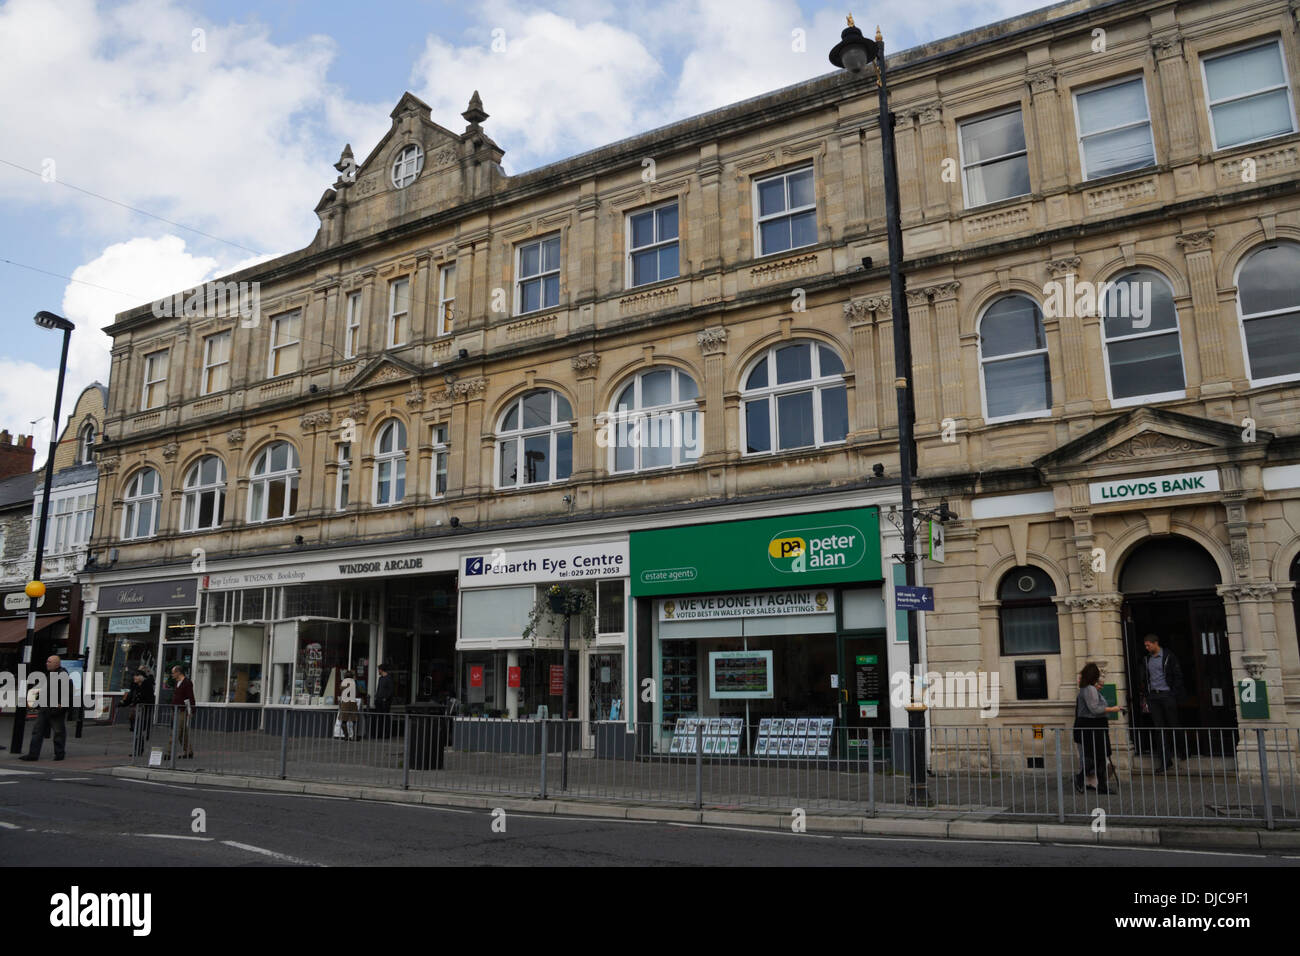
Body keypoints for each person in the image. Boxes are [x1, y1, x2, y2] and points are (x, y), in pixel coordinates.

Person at [1072, 662, 1123, 793]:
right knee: (1095, 756)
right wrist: (1113, 708)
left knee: (1098, 757)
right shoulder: (1089, 689)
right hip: (1092, 726)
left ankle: (1101, 786)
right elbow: (1094, 709)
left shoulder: (1086, 689)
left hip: (1094, 726)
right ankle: (1081, 778)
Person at [1139, 634, 1185, 773]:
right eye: (1145, 645)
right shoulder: (1146, 660)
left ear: (1155, 643)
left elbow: (1177, 675)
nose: (1146, 648)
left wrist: (1173, 693)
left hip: (1167, 695)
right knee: (1159, 729)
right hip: (1154, 696)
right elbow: (1144, 677)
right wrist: (1147, 694)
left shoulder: (1168, 656)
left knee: (1174, 724)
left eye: (1148, 645)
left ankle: (1183, 751)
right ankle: (1165, 761)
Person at [20, 655, 72, 762]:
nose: (46, 663)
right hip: (45, 707)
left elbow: (68, 693)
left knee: (58, 731)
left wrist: (62, 705)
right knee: (37, 730)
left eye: (49, 662)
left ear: (56, 664)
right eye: (47, 661)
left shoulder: (63, 676)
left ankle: (59, 754)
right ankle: (33, 754)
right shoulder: (49, 674)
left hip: (55, 708)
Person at [121, 669, 155, 756]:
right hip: (136, 711)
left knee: (139, 730)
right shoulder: (134, 686)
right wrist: (122, 703)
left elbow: (149, 699)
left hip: (144, 711)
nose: (134, 677)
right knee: (137, 731)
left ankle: (139, 750)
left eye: (136, 675)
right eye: (134, 676)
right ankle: (137, 750)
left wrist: (143, 705)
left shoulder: (147, 685)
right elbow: (130, 696)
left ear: (141, 677)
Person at [169, 664, 196, 759]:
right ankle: (188, 751)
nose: (172, 675)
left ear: (178, 672)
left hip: (182, 710)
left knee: (176, 731)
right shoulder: (177, 682)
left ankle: (169, 753)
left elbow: (190, 697)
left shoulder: (187, 682)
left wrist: (191, 711)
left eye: (173, 673)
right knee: (183, 732)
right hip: (176, 709)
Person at [371, 663, 394, 739]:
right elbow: (379, 689)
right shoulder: (380, 678)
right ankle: (380, 734)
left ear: (381, 670)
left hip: (385, 701)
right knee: (380, 718)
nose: (378, 671)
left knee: (385, 717)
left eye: (379, 670)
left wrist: (386, 698)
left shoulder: (389, 678)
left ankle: (386, 734)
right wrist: (376, 697)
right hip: (379, 700)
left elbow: (391, 690)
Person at [338, 670, 359, 741]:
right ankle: (355, 736)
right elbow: (357, 691)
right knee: (354, 721)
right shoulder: (354, 682)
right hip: (353, 702)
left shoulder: (343, 682)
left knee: (343, 721)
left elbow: (340, 689)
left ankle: (346, 736)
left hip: (345, 703)